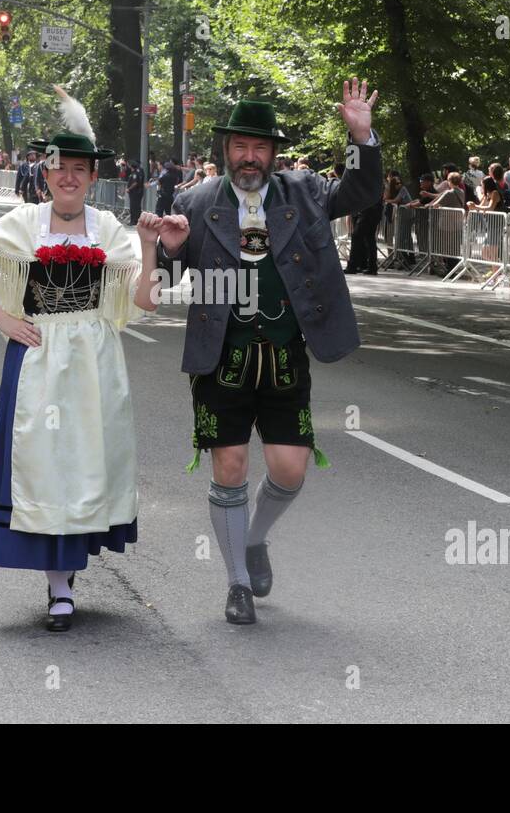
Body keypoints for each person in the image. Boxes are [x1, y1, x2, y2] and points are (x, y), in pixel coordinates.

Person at [152, 79, 382, 625]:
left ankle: (254, 541)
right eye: (239, 146)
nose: (249, 157)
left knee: (290, 469)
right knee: (229, 466)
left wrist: (361, 135)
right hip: (219, 354)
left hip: (284, 355)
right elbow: (162, 281)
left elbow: (362, 192)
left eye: (259, 148)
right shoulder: (195, 200)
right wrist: (169, 248)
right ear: (225, 150)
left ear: (273, 154)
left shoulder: (304, 191)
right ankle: (236, 584)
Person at [0, 87, 162, 632]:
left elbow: (143, 302)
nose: (69, 177)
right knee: (44, 465)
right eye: (59, 168)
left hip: (94, 362)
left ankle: (67, 570)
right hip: (39, 359)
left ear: (92, 177)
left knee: (84, 461)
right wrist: (2, 320)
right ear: (46, 175)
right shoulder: (24, 224)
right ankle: (59, 587)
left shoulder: (108, 228)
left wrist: (151, 246)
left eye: (79, 169)